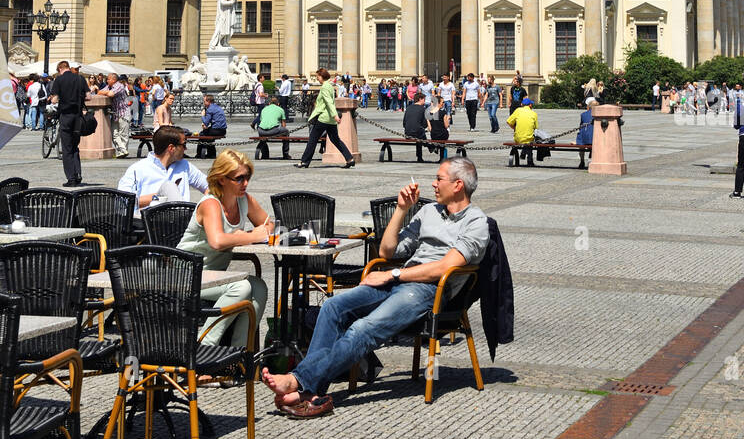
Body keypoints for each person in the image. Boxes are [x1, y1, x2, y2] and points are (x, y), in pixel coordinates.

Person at [262, 159, 489, 417]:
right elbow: (386, 251)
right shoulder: (429, 212)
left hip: (429, 290)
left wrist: (393, 274)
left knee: (363, 328)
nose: (434, 184)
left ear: (458, 185)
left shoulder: (476, 222)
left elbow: (445, 267)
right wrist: (402, 210)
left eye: (439, 179)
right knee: (333, 307)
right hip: (399, 279)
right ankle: (310, 390)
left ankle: (297, 381)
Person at [178, 150, 270, 346]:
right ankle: (204, 345)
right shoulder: (211, 203)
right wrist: (249, 236)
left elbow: (269, 224)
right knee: (242, 286)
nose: (245, 183)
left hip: (214, 276)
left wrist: (249, 235)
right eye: (239, 178)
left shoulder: (244, 200)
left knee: (259, 287)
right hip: (185, 275)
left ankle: (240, 352)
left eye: (248, 177)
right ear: (221, 179)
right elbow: (217, 241)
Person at [118, 126, 209, 219]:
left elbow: (210, 186)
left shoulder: (185, 166)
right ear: (171, 148)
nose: (186, 149)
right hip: (148, 224)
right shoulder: (137, 169)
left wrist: (203, 207)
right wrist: (158, 198)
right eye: (183, 145)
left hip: (181, 223)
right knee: (169, 188)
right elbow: (123, 201)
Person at [296, 69, 355, 169]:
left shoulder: (324, 87)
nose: (317, 78)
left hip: (324, 118)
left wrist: (335, 115)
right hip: (330, 120)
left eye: (318, 76)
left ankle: (304, 161)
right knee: (335, 140)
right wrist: (334, 116)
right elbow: (330, 102)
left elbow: (328, 102)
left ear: (322, 76)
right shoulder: (330, 86)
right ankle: (349, 158)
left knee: (313, 139)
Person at [50, 60, 88, 187]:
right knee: (75, 146)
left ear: (60, 68)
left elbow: (54, 100)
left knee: (66, 148)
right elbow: (89, 97)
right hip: (78, 116)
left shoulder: (59, 80)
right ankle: (78, 175)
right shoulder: (80, 78)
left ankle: (71, 178)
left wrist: (59, 97)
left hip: (66, 116)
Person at [97, 72, 132, 158]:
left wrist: (104, 92)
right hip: (115, 114)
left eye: (108, 79)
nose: (107, 80)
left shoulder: (119, 86)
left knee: (123, 134)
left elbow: (111, 94)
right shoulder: (109, 87)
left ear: (113, 79)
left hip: (124, 113)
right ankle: (123, 150)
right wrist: (105, 92)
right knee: (114, 133)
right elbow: (99, 92)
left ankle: (121, 152)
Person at [507, 95, 538, 166]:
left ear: (521, 104)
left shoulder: (518, 111)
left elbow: (509, 122)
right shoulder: (534, 113)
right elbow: (536, 128)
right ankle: (529, 160)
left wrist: (514, 128)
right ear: (530, 105)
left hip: (518, 138)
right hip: (529, 139)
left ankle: (523, 154)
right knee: (529, 139)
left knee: (524, 139)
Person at [402, 96, 430, 162]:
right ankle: (429, 148)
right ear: (420, 99)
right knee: (420, 134)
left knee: (419, 134)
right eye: (424, 99)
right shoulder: (423, 109)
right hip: (418, 134)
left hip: (407, 133)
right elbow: (424, 124)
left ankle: (427, 150)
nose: (424, 101)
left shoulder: (408, 108)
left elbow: (404, 123)